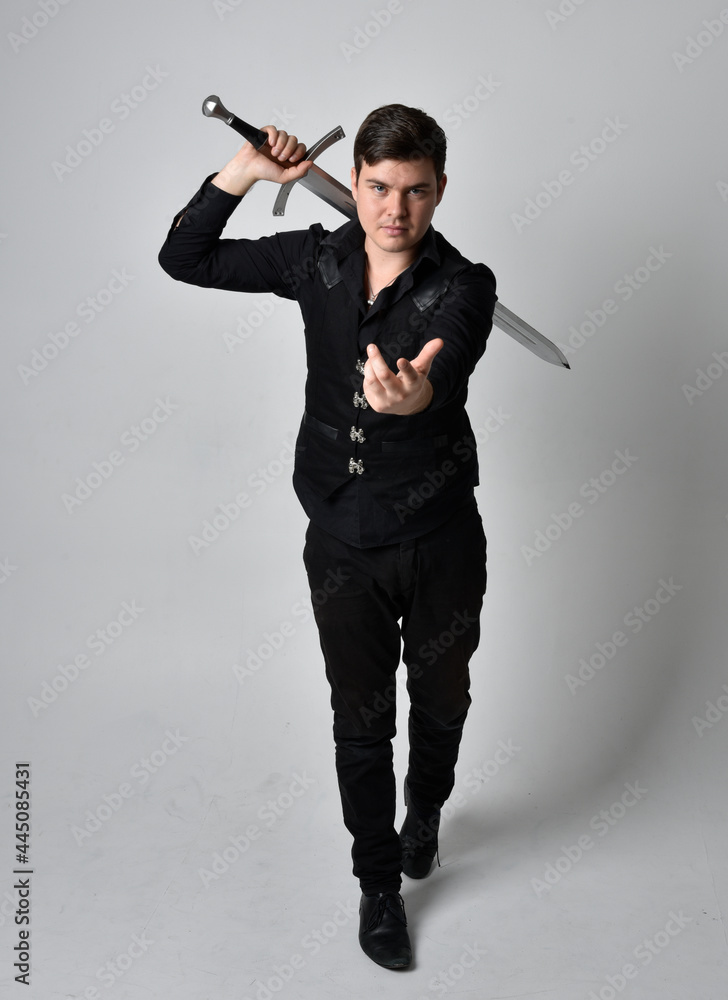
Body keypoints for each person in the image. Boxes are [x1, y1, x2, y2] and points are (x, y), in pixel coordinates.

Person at [158, 103, 496, 970]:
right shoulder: (314, 257)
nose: (394, 209)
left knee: (443, 699)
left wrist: (414, 392)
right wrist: (243, 172)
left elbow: (445, 359)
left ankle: (425, 815)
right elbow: (182, 258)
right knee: (361, 720)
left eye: (416, 192)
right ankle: (378, 885)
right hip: (342, 537)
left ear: (440, 192)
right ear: (354, 182)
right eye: (378, 187)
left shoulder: (465, 283)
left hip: (440, 535)